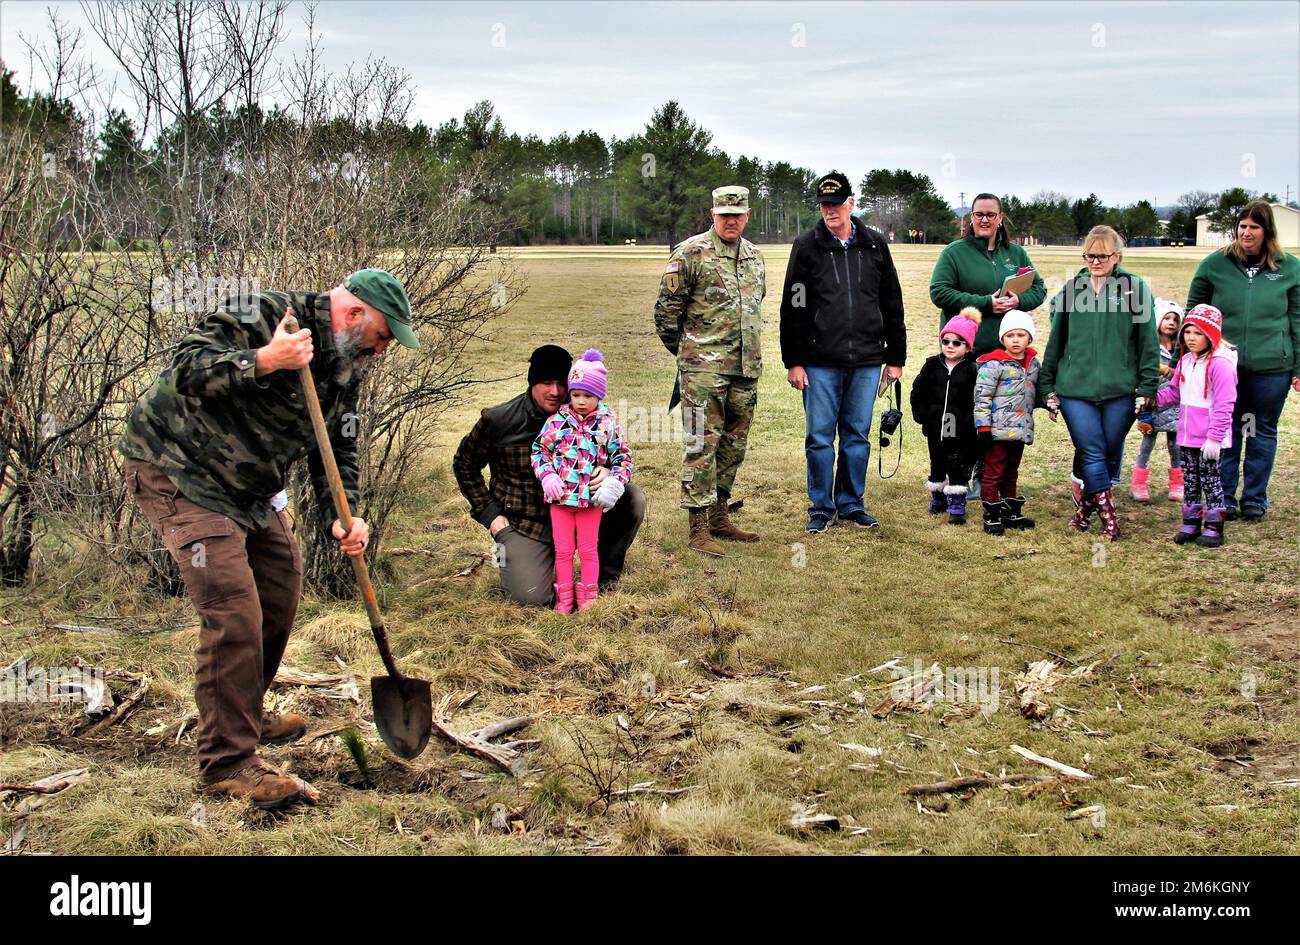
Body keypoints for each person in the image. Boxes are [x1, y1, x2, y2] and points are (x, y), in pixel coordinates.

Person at [119, 268, 419, 809]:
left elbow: (339, 445)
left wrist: (341, 515)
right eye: (382, 336)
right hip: (180, 472)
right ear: (353, 315)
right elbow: (186, 370)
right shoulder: (261, 314)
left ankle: (243, 709)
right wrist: (264, 361)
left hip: (252, 489)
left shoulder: (345, 365)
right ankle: (227, 762)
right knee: (234, 609)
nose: (382, 349)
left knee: (280, 588)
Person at [453, 345, 646, 606]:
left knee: (632, 498)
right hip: (526, 524)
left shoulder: (590, 413)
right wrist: (491, 516)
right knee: (528, 597)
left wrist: (611, 471)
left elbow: (619, 453)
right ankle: (514, 557)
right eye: (546, 382)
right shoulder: (499, 420)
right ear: (532, 382)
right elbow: (464, 463)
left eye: (560, 383)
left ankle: (603, 578)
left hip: (581, 508)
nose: (555, 392)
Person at [779, 171, 907, 533]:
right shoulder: (806, 246)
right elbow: (794, 306)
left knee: (857, 435)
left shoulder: (875, 245)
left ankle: (852, 503)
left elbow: (892, 302)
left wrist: (895, 357)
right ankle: (821, 507)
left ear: (852, 202)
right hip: (820, 362)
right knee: (819, 437)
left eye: (836, 204)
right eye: (824, 206)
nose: (830, 211)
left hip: (867, 360)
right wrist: (795, 361)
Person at [653, 185, 764, 556]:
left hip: (745, 368)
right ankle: (697, 527)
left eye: (738, 214)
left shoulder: (754, 256)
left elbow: (754, 307)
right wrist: (691, 355)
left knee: (733, 445)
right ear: (712, 214)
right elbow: (667, 314)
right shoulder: (690, 253)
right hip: (703, 371)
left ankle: (719, 514)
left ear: (747, 215)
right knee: (702, 444)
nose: (731, 221)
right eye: (724, 215)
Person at [1038, 225, 1159, 541]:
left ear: (1116, 256)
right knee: (1091, 450)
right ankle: (1110, 520)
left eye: (1102, 255)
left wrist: (1147, 388)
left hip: (1121, 390)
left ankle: (1083, 513)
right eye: (1089, 255)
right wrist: (1047, 386)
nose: (1095, 261)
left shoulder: (1134, 289)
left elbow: (1148, 343)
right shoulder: (1070, 290)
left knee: (1105, 452)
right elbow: (1057, 342)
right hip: (1074, 389)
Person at [929, 192, 1047, 500]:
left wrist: (1018, 300)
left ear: (1000, 218)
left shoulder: (1016, 254)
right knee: (967, 417)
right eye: (978, 214)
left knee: (997, 420)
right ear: (971, 218)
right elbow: (939, 292)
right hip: (968, 353)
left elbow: (1040, 289)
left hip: (1005, 356)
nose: (984, 219)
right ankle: (960, 476)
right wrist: (984, 303)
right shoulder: (955, 253)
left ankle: (987, 479)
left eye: (990, 215)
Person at [1186, 200, 1300, 521]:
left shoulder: (1289, 268)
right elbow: (1193, 313)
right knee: (1227, 431)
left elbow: (1298, 319)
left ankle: (1255, 498)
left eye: (1254, 227)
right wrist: (1193, 357)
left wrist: (1298, 367)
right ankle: (1225, 498)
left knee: (1262, 431)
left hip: (1271, 367)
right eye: (1242, 226)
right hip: (1224, 366)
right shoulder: (1215, 264)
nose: (1246, 233)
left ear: (1267, 231)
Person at [531, 350, 633, 613]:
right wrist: (547, 475)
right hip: (561, 500)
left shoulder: (608, 425)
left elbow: (624, 457)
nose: (581, 401)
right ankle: (564, 598)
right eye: (576, 395)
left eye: (587, 396)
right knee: (563, 551)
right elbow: (539, 450)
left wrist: (614, 481)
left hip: (590, 502)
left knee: (588, 551)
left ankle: (589, 598)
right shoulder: (556, 422)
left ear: (599, 395)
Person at [1158, 305, 1238, 548]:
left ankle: (1214, 526)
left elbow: (1225, 404)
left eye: (1198, 333)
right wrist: (1152, 401)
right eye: (1188, 332)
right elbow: (1174, 392)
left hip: (1210, 439)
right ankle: (1191, 522)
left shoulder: (1221, 364)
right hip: (1187, 435)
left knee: (1211, 481)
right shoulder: (1185, 361)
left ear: (1211, 335)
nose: (1191, 338)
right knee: (1190, 480)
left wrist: (1215, 438)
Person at [972, 310, 1050, 535]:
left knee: (1011, 471)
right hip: (996, 430)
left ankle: (1009, 510)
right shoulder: (994, 363)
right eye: (1010, 335)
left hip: (1020, 429)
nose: (1015, 340)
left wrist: (1050, 403)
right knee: (994, 471)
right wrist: (983, 427)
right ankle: (991, 514)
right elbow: (982, 396)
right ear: (1002, 338)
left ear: (1030, 338)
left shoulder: (1033, 364)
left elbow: (1037, 392)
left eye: (1021, 335)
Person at [910, 306, 981, 525]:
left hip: (960, 426)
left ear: (968, 347)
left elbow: (978, 399)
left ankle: (957, 503)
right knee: (937, 460)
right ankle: (938, 496)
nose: (950, 346)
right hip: (935, 424)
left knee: (956, 461)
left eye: (957, 342)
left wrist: (971, 423)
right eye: (946, 341)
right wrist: (922, 415)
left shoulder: (972, 370)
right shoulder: (932, 365)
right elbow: (917, 391)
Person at [1131, 299, 1184, 502]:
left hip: (1174, 404)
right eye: (1167, 318)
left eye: (1175, 320)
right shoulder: (1149, 346)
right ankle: (1139, 483)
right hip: (1152, 403)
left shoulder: (1181, 349)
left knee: (1175, 444)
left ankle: (1178, 483)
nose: (1171, 323)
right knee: (1147, 441)